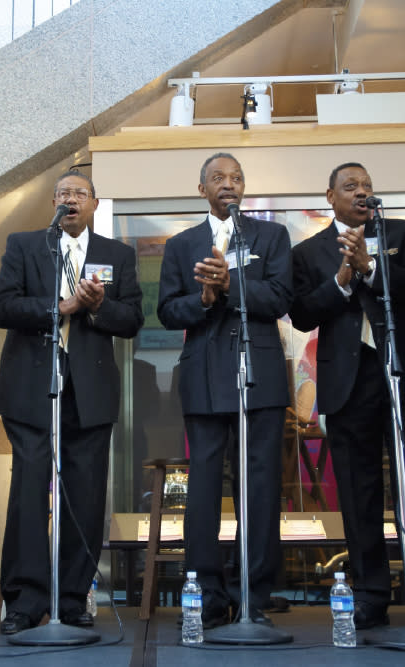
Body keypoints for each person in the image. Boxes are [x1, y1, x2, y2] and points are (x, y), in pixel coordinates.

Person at [288, 162, 405, 632]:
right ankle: (371, 595)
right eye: (350, 186)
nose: (361, 192)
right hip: (346, 382)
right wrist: (342, 280)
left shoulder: (402, 232)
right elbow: (301, 314)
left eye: (367, 186)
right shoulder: (308, 252)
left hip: (403, 373)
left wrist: (372, 268)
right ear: (330, 197)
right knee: (359, 495)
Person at [0, 169, 143, 634]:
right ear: (54, 205)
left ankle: (74, 596)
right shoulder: (25, 245)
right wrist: (60, 308)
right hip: (31, 386)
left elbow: (133, 318)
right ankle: (24, 599)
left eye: (79, 193)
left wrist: (97, 307)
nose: (70, 199)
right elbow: (2, 308)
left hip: (90, 391)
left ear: (95, 204)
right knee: (29, 491)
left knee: (86, 492)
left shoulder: (116, 254)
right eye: (62, 194)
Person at [157, 152, 291, 628]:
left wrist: (231, 286)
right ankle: (208, 596)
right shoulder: (181, 245)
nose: (228, 184)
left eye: (236, 178)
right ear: (202, 190)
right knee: (204, 491)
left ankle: (253, 596)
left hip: (260, 373)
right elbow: (168, 312)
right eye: (218, 178)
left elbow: (279, 298)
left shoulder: (270, 236)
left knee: (260, 489)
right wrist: (204, 298)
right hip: (203, 377)